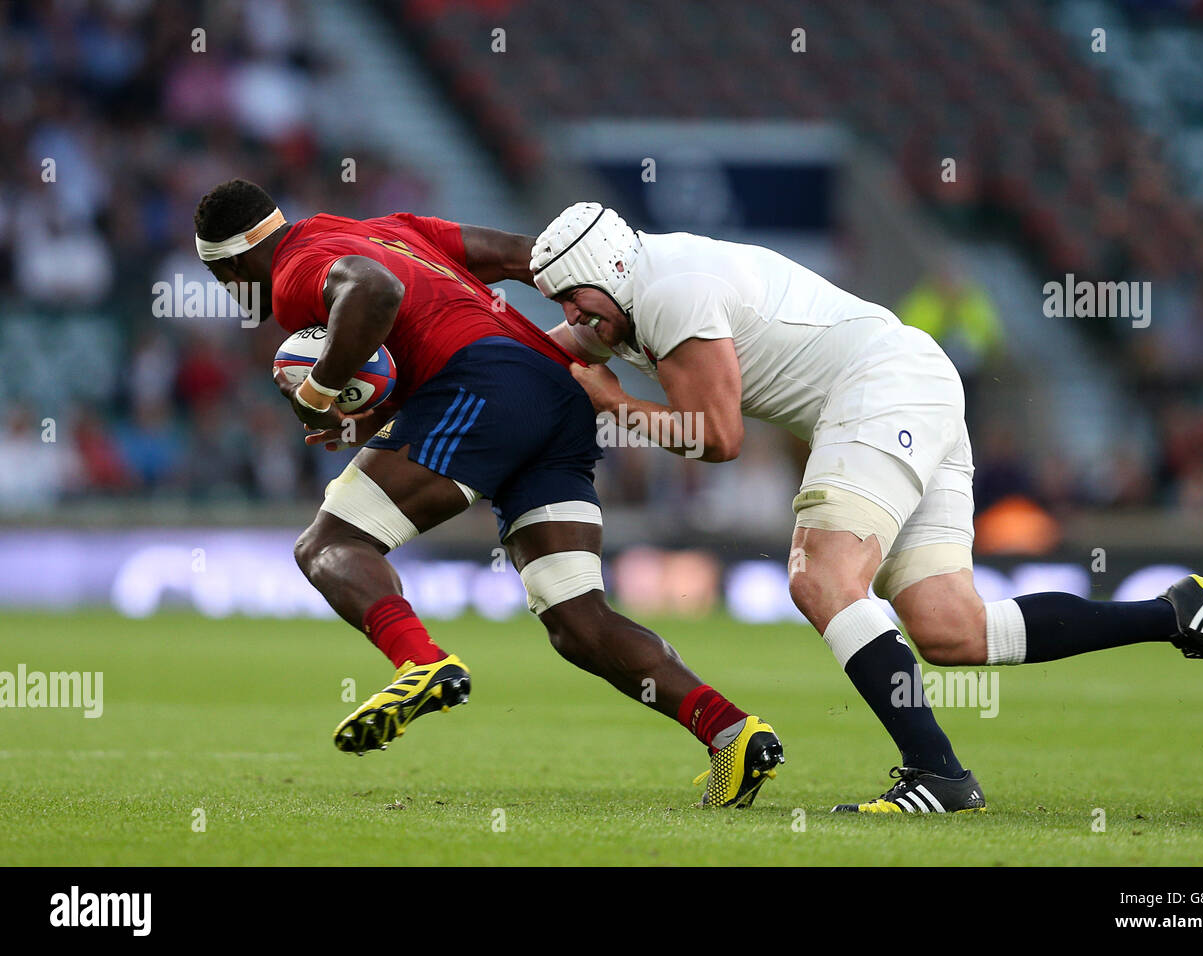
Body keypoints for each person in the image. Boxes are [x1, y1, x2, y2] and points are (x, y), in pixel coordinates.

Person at [530, 202, 1203, 814]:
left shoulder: (667, 293)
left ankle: (938, 773)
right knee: (953, 631)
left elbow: (719, 438)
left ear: (611, 274)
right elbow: (546, 341)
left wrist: (618, 405)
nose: (574, 317)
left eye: (576, 301)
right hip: (909, 385)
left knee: (821, 578)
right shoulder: (628, 288)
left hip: (881, 390)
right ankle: (1173, 614)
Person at [191, 180, 783, 807]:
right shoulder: (388, 228)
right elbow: (529, 256)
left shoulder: (291, 274)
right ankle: (731, 732)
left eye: (222, 279)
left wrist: (316, 393)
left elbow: (374, 292)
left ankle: (419, 662)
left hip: (485, 385)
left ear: (228, 265)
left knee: (328, 544)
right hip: (558, 393)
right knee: (577, 619)